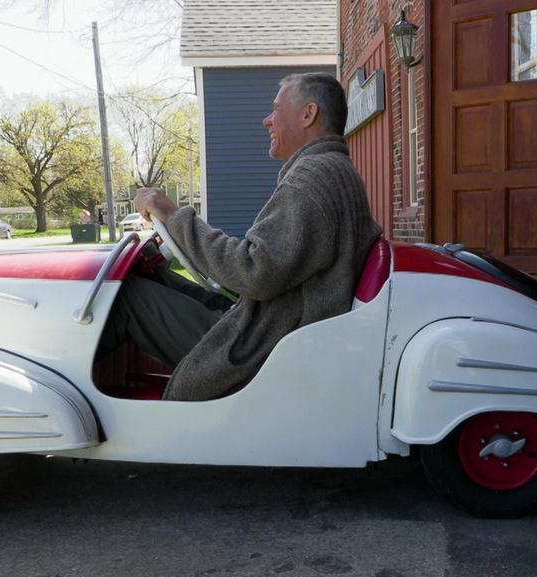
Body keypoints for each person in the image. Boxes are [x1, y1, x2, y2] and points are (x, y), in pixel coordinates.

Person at [100, 72, 382, 402]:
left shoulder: (312, 178)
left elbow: (253, 270)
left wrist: (174, 215)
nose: (267, 120)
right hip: (274, 325)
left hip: (263, 349)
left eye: (276, 109)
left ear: (308, 114)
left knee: (124, 296)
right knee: (156, 280)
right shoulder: (332, 169)